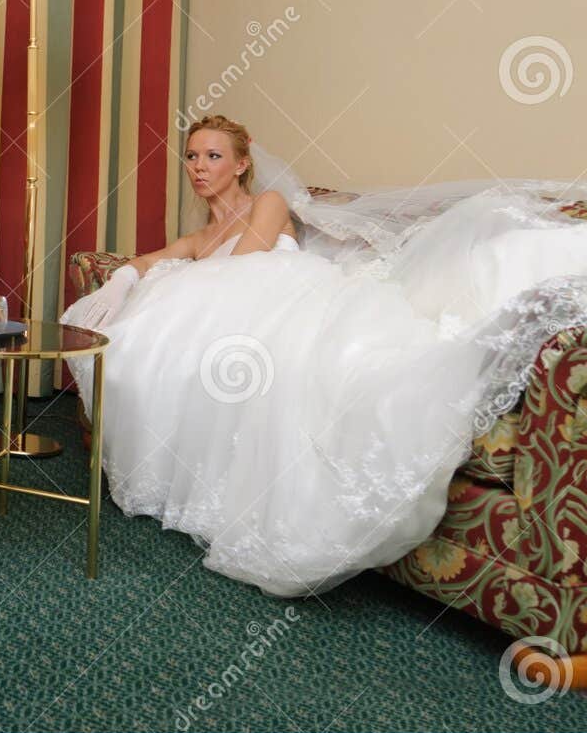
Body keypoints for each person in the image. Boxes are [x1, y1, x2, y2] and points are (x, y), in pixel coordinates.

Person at [62, 114, 587, 597]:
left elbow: (242, 266)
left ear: (242, 163)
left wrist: (174, 275)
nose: (200, 167)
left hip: (297, 309)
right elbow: (157, 257)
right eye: (193, 156)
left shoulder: (267, 204)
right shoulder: (198, 236)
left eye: (214, 156)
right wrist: (128, 275)